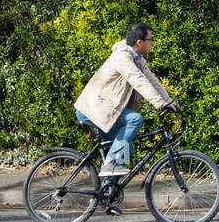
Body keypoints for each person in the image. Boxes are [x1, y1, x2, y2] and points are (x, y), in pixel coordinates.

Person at [74, 22, 178, 181]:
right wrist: (160, 103)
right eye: (151, 39)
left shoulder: (138, 59)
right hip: (92, 109)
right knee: (135, 119)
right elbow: (137, 79)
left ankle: (107, 195)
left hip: (107, 109)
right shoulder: (122, 57)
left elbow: (152, 80)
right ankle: (111, 164)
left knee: (127, 147)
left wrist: (169, 101)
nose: (152, 42)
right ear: (139, 42)